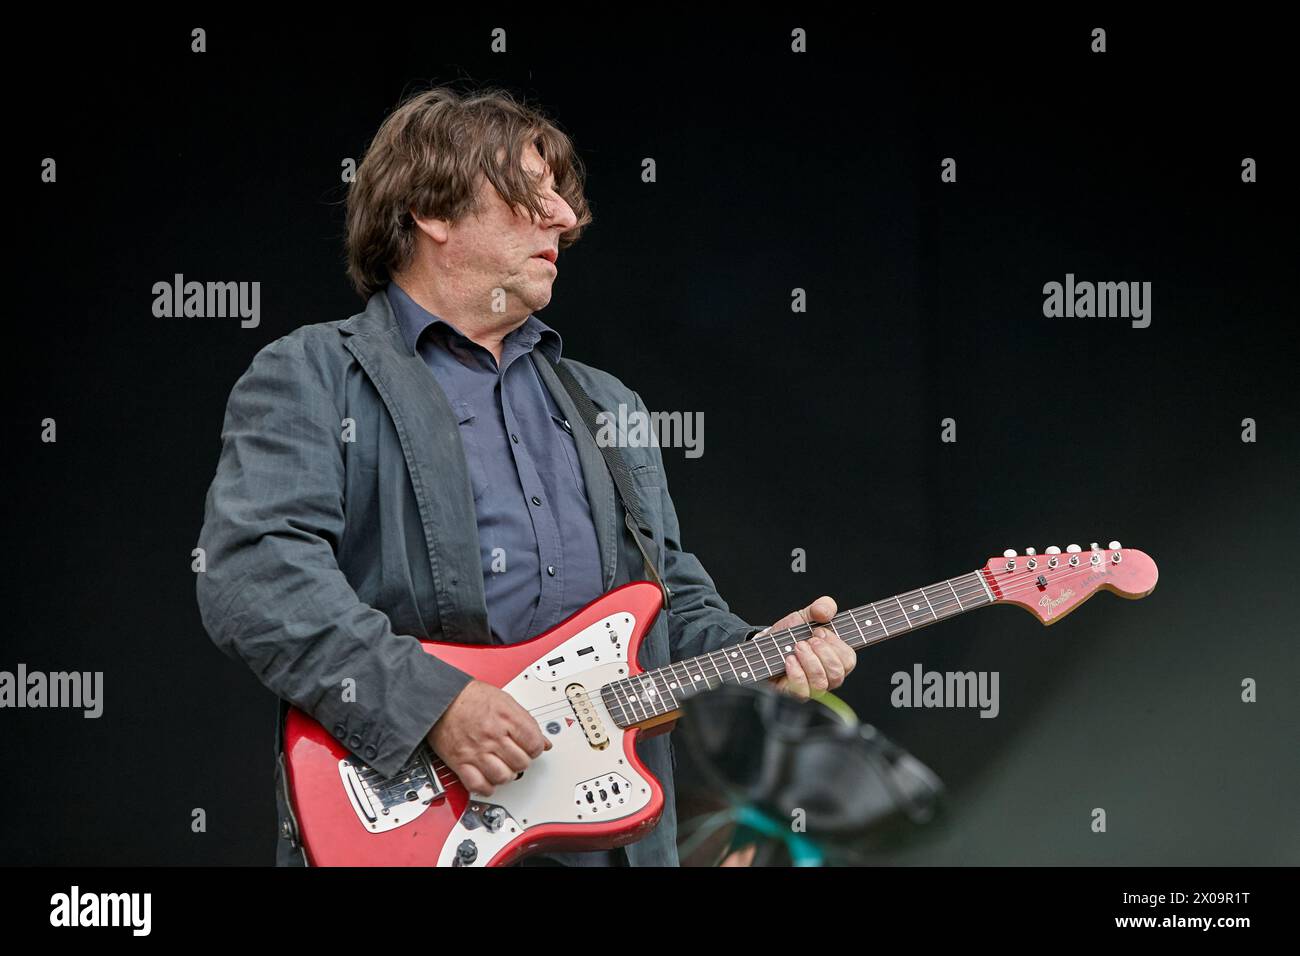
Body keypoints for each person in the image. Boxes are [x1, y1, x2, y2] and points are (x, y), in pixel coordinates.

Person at [195, 86, 856, 866]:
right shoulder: (312, 374)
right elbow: (254, 576)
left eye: (562, 198)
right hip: (419, 829)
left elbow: (670, 602)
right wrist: (435, 705)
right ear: (432, 214)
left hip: (611, 841)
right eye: (529, 194)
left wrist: (754, 652)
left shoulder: (607, 402)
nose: (566, 219)